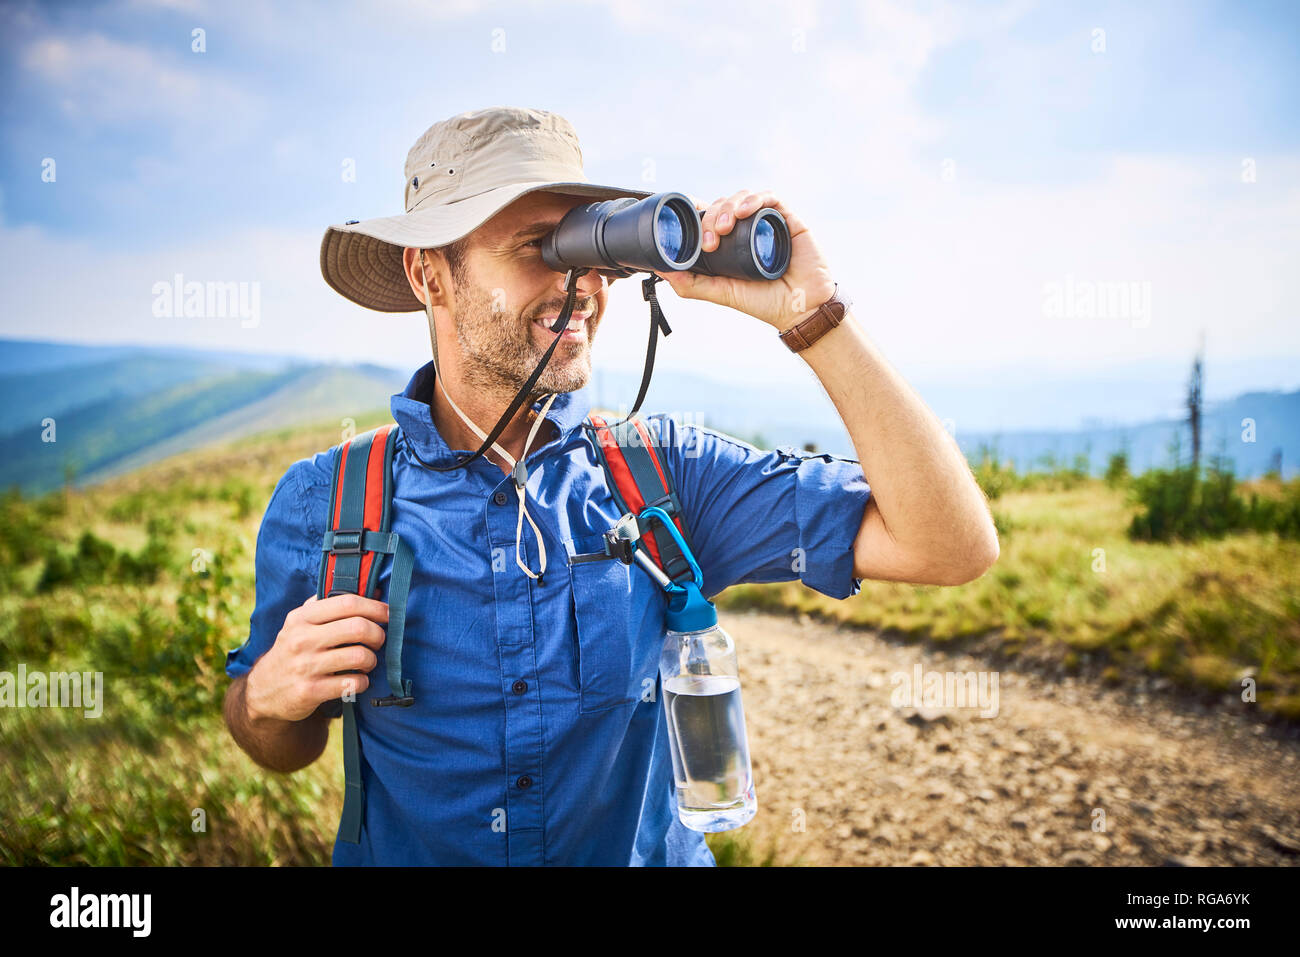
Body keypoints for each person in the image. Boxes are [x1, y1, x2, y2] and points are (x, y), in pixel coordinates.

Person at [222, 105, 998, 866]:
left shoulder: (660, 473)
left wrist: (815, 314)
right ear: (430, 274)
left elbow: (951, 546)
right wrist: (265, 697)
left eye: (592, 248)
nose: (582, 282)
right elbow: (279, 746)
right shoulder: (325, 501)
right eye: (540, 246)